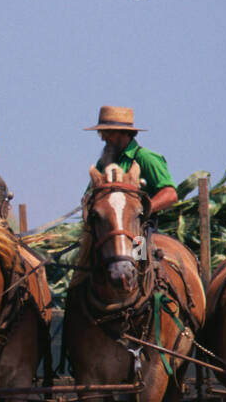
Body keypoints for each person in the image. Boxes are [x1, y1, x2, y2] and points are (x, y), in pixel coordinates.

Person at [73, 106, 177, 280]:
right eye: (101, 133)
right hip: (106, 229)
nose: (103, 138)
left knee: (139, 266)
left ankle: (146, 297)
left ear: (124, 134)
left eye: (108, 133)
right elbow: (89, 194)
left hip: (139, 229)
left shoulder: (145, 158)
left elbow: (170, 194)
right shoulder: (103, 162)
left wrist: (141, 211)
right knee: (84, 267)